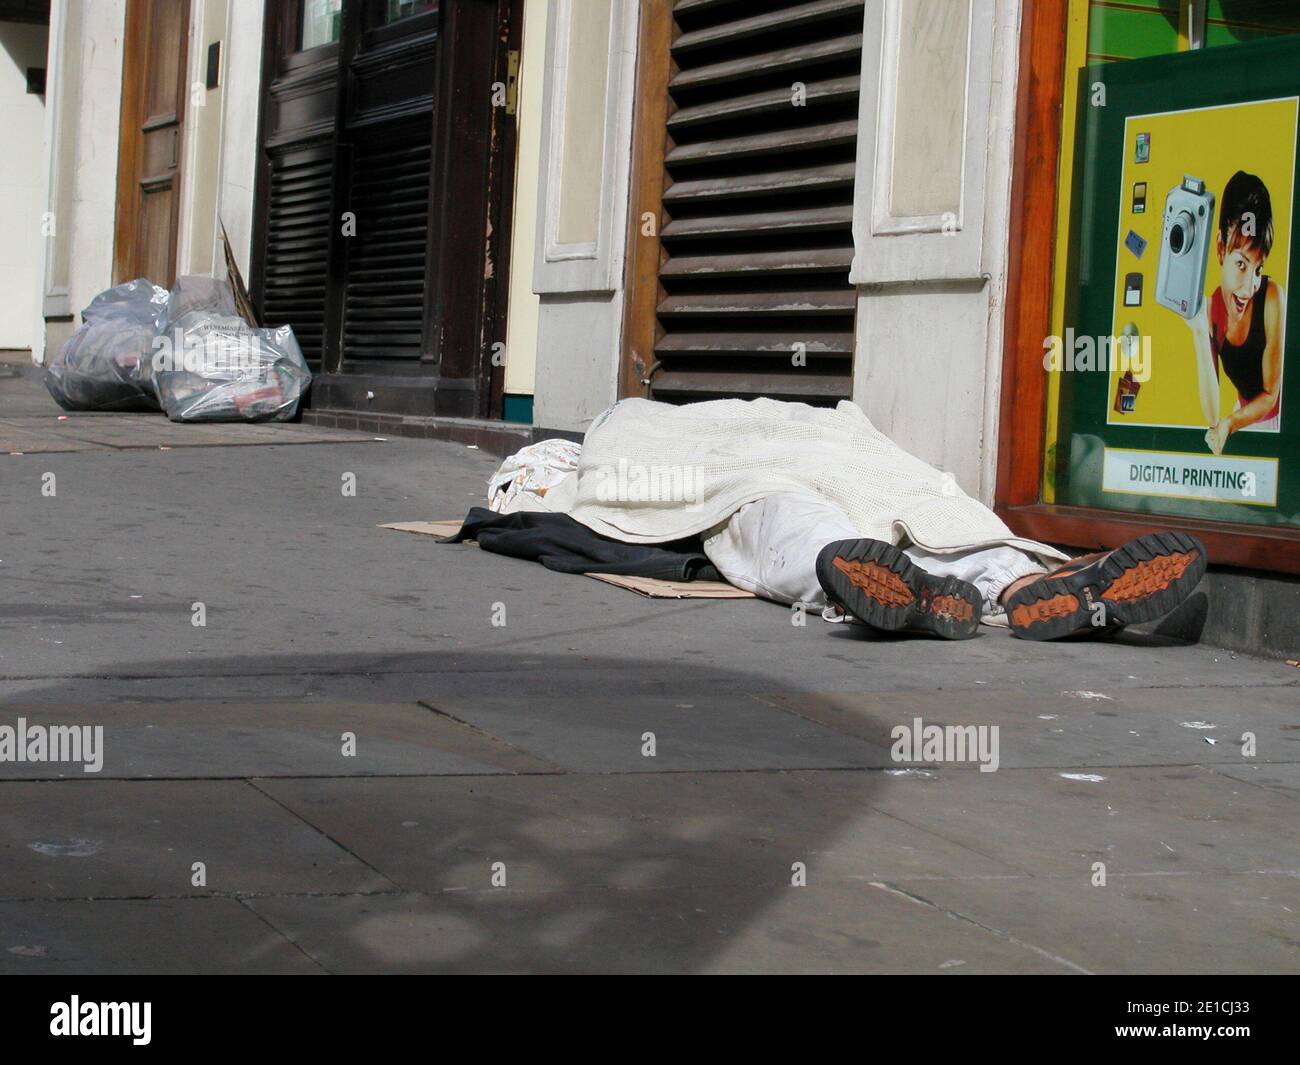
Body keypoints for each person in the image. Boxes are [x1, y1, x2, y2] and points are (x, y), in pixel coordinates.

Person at [501, 396, 1208, 642]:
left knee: (785, 522)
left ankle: (903, 586)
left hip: (776, 459)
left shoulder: (626, 424)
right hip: (782, 457)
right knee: (922, 501)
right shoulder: (641, 424)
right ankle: (1015, 581)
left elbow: (532, 482)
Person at [1186, 170, 1286, 453]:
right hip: (1242, 417)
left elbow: (1270, 395)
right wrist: (1197, 332)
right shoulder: (1209, 312)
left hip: (1279, 422)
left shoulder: (1272, 299)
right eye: (1241, 264)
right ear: (1220, 249)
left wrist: (1230, 424)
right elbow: (1211, 416)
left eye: (1258, 269)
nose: (1248, 287)